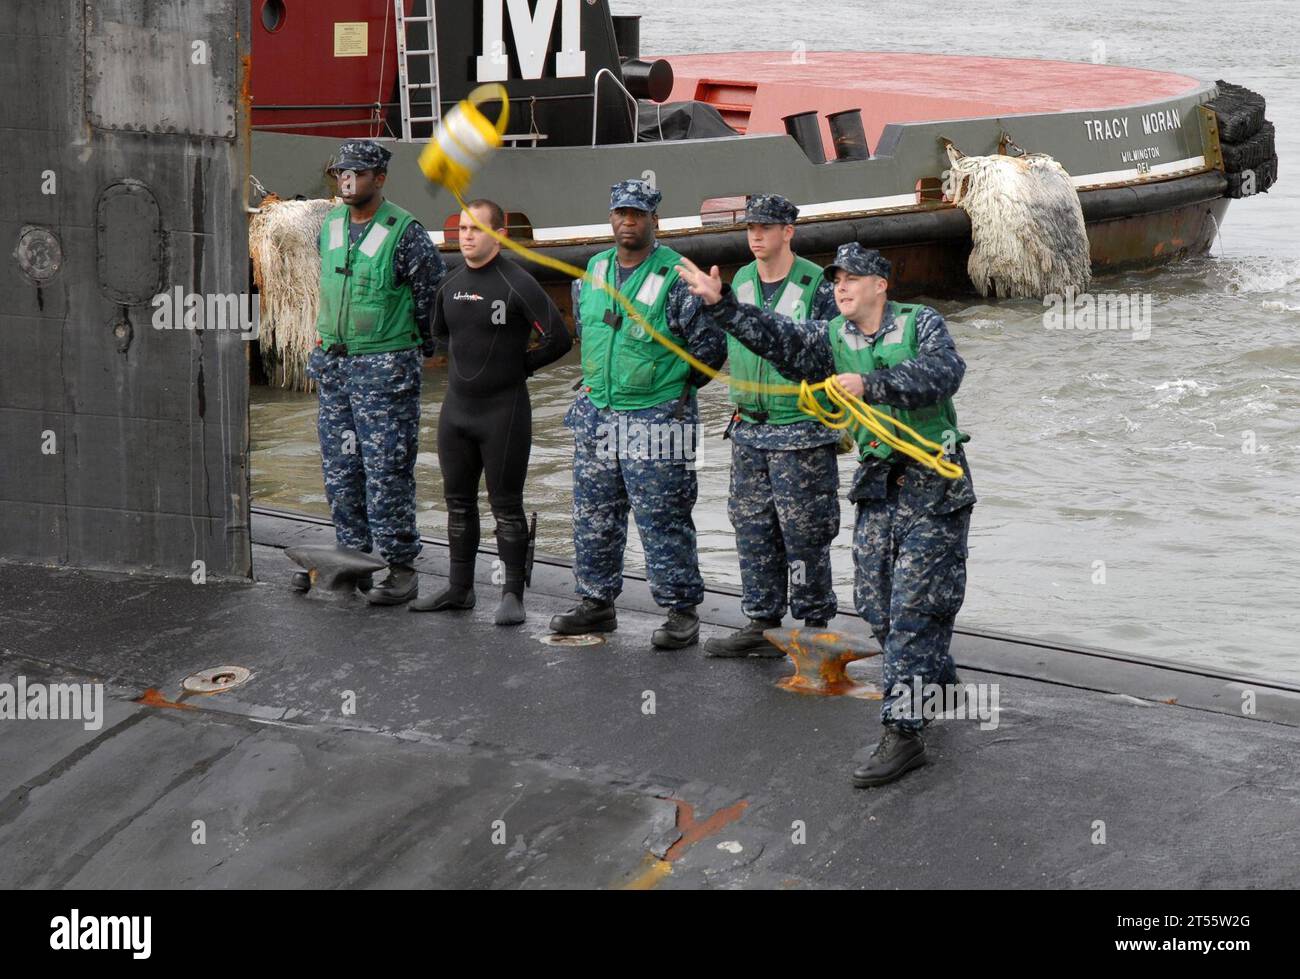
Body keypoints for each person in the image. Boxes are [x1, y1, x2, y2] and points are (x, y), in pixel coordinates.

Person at [677, 243, 975, 787]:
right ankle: (940, 683)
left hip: (934, 484)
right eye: (837, 279)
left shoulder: (919, 324)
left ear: (881, 286)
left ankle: (902, 732)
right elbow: (780, 337)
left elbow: (944, 373)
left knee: (913, 608)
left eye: (854, 279)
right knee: (876, 606)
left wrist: (871, 384)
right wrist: (723, 306)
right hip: (878, 483)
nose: (841, 287)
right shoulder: (832, 337)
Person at [548, 179, 727, 649]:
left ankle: (680, 611)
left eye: (638, 214)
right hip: (599, 414)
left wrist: (669, 396)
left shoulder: (676, 277)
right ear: (611, 218)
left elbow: (710, 351)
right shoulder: (595, 269)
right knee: (594, 515)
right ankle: (596, 603)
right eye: (621, 213)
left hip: (657, 420)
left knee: (663, 517)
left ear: (654, 221)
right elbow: (590, 333)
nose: (628, 222)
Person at [410, 200, 571, 624]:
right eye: (462, 228)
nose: (466, 236)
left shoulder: (517, 282)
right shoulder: (450, 283)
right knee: (458, 503)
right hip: (457, 412)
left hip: (505, 411)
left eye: (477, 229)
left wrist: (520, 368)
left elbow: (559, 339)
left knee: (506, 505)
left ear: (497, 235)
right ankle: (460, 589)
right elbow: (440, 334)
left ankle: (511, 594)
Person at [306, 139, 446, 606]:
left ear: (379, 178)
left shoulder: (405, 233)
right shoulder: (328, 227)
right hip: (335, 366)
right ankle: (353, 560)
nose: (346, 180)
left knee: (387, 470)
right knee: (341, 471)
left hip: (384, 368)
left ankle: (402, 568)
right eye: (340, 173)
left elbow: (431, 299)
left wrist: (419, 350)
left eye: (357, 173)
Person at [705, 194, 843, 658]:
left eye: (766, 227)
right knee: (752, 526)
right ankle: (762, 622)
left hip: (801, 429)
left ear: (789, 231)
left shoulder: (817, 286)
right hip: (749, 428)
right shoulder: (740, 281)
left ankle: (813, 624)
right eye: (750, 228)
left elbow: (835, 353)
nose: (756, 235)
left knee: (805, 532)